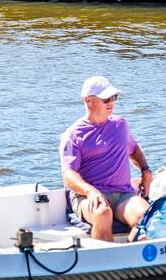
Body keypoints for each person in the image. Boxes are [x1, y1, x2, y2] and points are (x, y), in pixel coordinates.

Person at [60, 76, 152, 243]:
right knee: (103, 213)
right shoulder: (73, 134)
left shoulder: (120, 124)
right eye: (105, 99)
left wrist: (145, 169)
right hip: (87, 196)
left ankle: (135, 260)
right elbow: (68, 175)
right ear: (88, 101)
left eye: (113, 97)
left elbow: (134, 149)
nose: (111, 102)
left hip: (123, 193)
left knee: (146, 215)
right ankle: (105, 260)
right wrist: (90, 192)